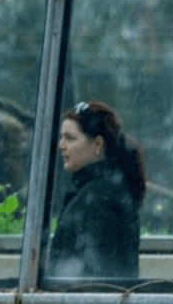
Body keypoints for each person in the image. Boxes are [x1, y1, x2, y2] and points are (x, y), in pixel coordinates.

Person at [45, 100, 146, 280]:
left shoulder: (99, 200)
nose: (61, 145)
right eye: (61, 137)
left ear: (98, 144)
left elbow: (97, 278)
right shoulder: (99, 192)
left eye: (70, 138)